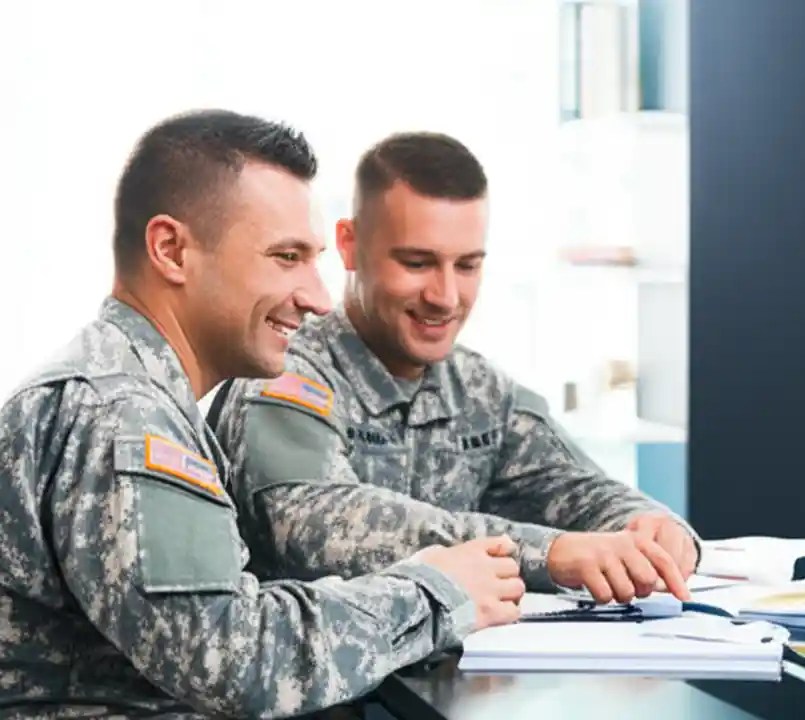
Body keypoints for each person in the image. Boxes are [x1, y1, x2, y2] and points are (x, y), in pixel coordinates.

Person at [0, 110, 524, 718]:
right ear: (171, 250)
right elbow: (237, 659)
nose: (318, 298)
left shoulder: (136, 393)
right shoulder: (120, 413)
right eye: (285, 257)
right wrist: (438, 592)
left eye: (315, 259)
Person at [210, 131, 699, 604]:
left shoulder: (482, 391)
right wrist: (545, 554)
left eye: (467, 266)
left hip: (460, 683)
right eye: (418, 263)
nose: (445, 297)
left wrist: (653, 530)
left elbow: (579, 490)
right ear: (349, 244)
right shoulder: (282, 372)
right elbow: (310, 525)